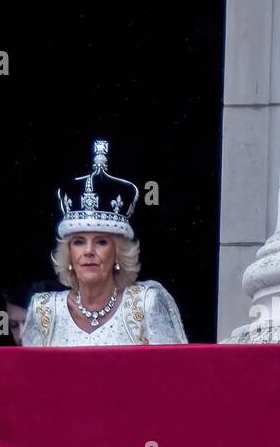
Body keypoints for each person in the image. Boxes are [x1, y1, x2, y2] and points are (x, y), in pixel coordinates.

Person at [21, 139, 186, 346]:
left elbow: (174, 374)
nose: (89, 251)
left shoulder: (145, 305)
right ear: (69, 253)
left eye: (101, 242)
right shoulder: (43, 310)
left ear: (118, 252)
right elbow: (25, 377)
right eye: (79, 242)